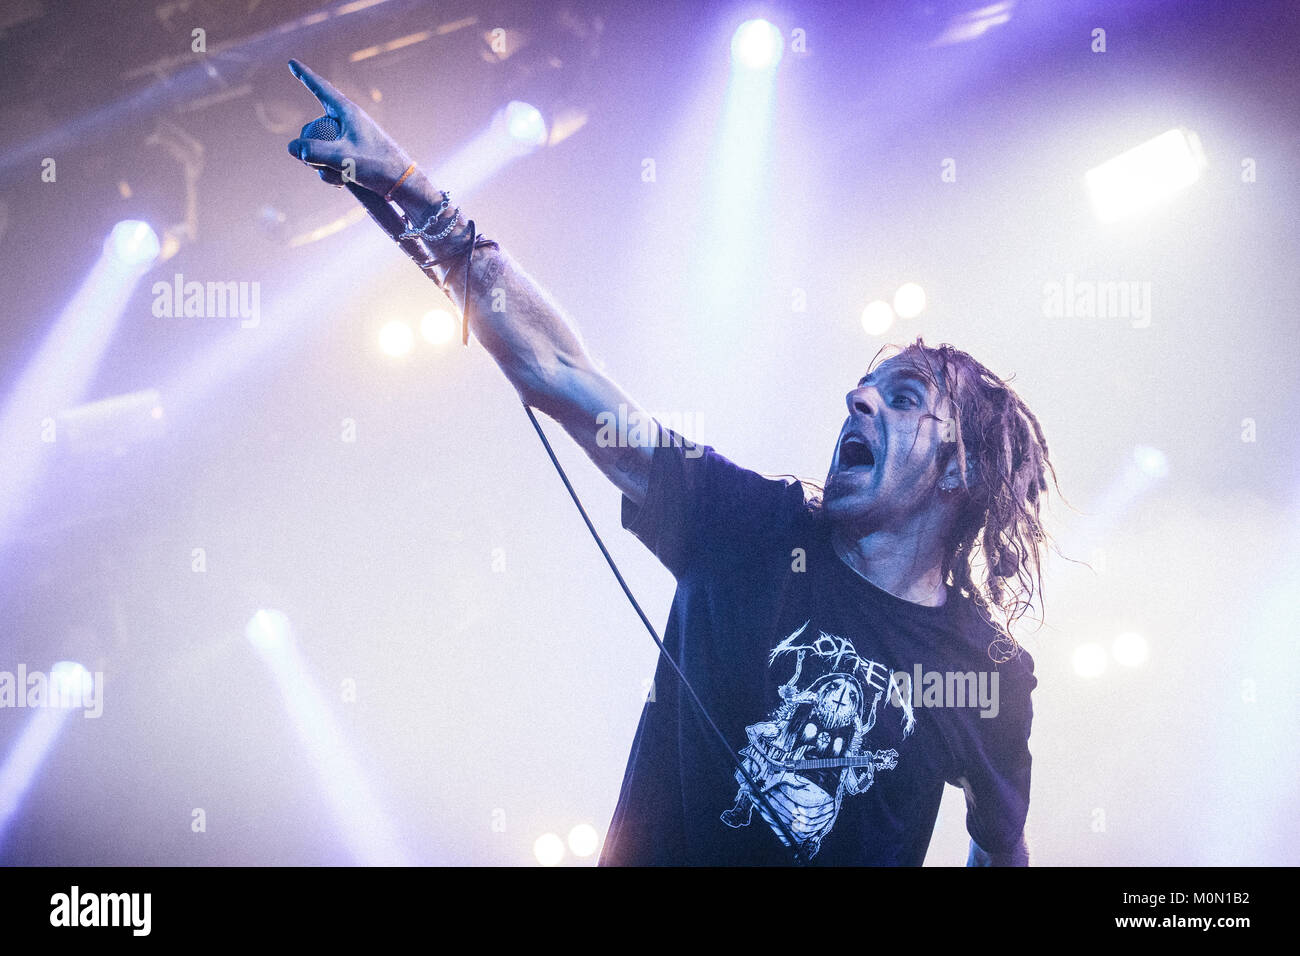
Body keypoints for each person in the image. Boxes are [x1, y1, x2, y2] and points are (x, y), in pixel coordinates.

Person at [286, 59, 1059, 866]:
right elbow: (563, 373)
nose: (858, 403)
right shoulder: (748, 525)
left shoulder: (987, 672)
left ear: (959, 470)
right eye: (863, 390)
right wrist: (412, 188)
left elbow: (1000, 849)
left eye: (902, 399)